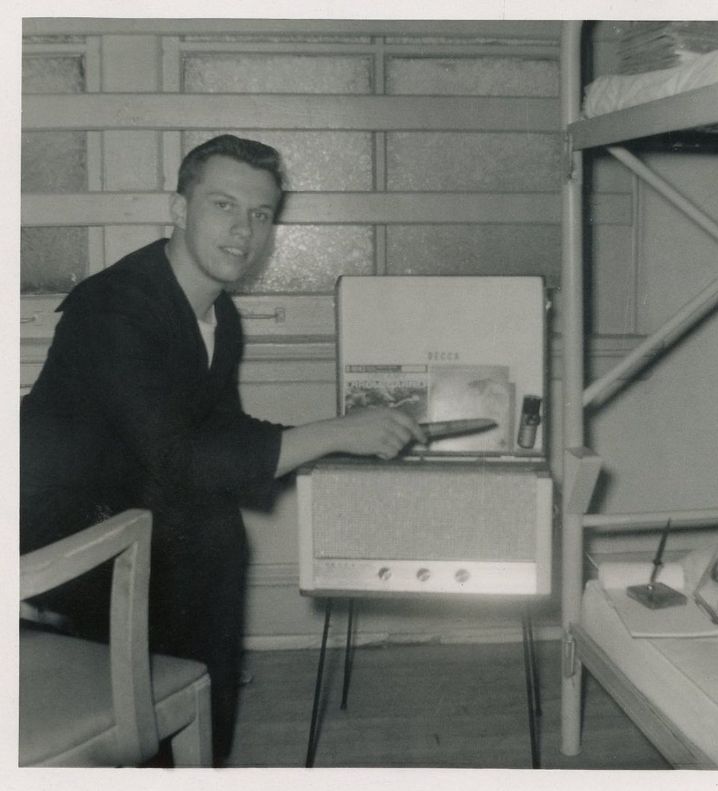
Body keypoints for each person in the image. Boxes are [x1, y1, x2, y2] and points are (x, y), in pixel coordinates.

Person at [20, 134, 425, 763]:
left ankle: (195, 734)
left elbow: (221, 435)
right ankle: (181, 739)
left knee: (212, 536)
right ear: (179, 209)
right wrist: (337, 434)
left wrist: (347, 433)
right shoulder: (114, 308)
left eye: (261, 214)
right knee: (208, 539)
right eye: (223, 206)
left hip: (125, 506)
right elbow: (180, 457)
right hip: (49, 534)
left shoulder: (219, 315)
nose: (244, 230)